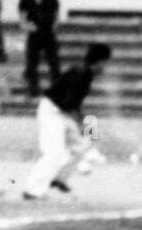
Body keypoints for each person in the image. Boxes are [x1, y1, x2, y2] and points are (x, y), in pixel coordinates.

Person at [23, 44, 112, 200]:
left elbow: (74, 105)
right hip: (51, 112)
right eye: (105, 63)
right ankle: (32, 190)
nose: (105, 67)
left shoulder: (86, 74)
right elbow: (67, 103)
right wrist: (81, 124)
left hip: (63, 113)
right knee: (54, 153)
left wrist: (83, 124)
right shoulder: (79, 74)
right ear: (98, 62)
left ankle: (58, 179)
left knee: (83, 145)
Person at [20, 0, 60, 99]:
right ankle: (33, 88)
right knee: (32, 62)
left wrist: (54, 26)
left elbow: (56, 12)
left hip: (48, 31)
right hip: (34, 32)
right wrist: (26, 26)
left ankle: (56, 88)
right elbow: (22, 14)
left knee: (53, 61)